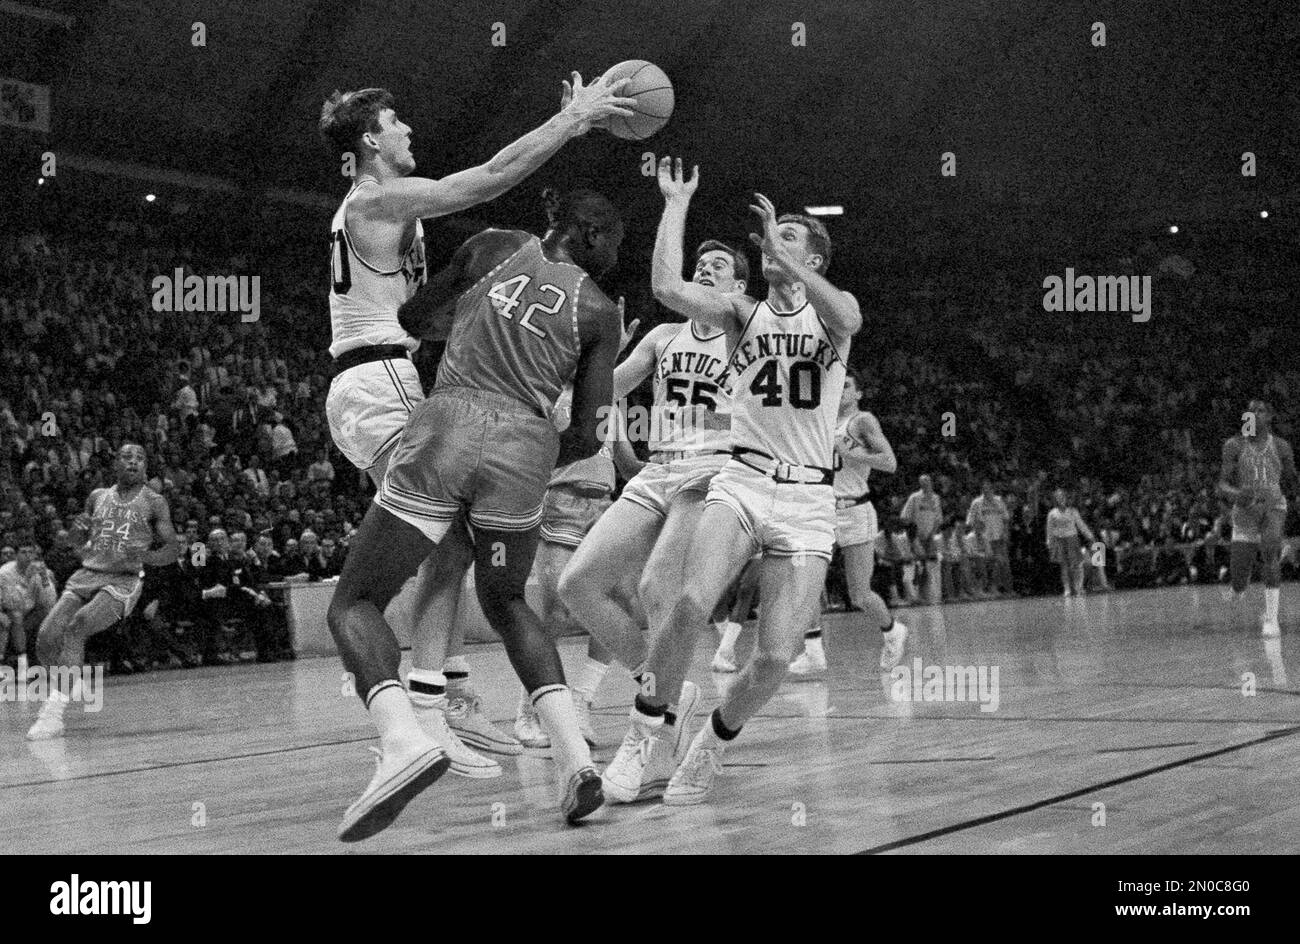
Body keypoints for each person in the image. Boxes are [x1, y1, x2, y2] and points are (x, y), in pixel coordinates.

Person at [317, 77, 632, 779]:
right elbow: (488, 179)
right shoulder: (374, 196)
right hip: (382, 377)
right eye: (395, 122)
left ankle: (449, 694)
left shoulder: (371, 207)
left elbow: (425, 313)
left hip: (370, 380)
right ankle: (431, 713)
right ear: (371, 141)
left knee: (448, 545)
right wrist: (570, 120)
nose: (407, 131)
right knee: (453, 545)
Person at [603, 158, 860, 806]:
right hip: (742, 479)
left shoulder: (831, 317)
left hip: (807, 499)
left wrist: (788, 254)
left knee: (774, 658)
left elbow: (851, 318)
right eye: (770, 241)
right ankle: (642, 735)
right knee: (690, 601)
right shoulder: (742, 314)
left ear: (815, 259)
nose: (773, 245)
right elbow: (665, 285)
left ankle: (712, 744)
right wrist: (675, 202)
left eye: (792, 239)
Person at [27, 444, 179, 740]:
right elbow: (75, 542)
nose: (133, 462)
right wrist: (76, 532)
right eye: (127, 457)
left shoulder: (154, 501)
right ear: (116, 464)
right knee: (46, 640)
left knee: (77, 626)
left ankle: (53, 714)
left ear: (145, 466)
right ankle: (69, 680)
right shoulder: (97, 496)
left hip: (122, 580)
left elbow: (173, 549)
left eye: (139, 459)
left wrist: (146, 556)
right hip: (87, 574)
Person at [791, 371, 906, 676]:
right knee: (806, 581)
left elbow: (890, 462)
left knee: (859, 594)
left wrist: (853, 451)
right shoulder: (821, 418)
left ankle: (893, 632)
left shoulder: (862, 420)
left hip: (855, 509)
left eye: (847, 386)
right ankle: (814, 652)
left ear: (858, 394)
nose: (840, 390)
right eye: (836, 385)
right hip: (822, 510)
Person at [1217, 399, 1297, 636]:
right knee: (1240, 578)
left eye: (1260, 410)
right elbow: (1222, 484)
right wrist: (1236, 494)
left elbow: (1292, 481)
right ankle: (1236, 588)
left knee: (1270, 550)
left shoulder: (1281, 446)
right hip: (1245, 512)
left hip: (1273, 506)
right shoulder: (1233, 445)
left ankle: (1271, 619)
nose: (1254, 413)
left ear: (1269, 417)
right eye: (1250, 410)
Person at [0, 542, 57, 669]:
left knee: (52, 615)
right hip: (8, 613)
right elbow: (12, 603)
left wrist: (44, 579)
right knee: (16, 615)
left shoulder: (40, 571)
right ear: (16, 556)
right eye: (23, 552)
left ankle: (48, 663)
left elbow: (50, 602)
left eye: (30, 552)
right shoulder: (5, 573)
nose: (27, 556)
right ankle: (22, 662)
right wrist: (26, 579)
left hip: (29, 614)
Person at [1045, 488, 1097, 597]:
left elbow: (1080, 524)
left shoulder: (1073, 511)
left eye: (1062, 496)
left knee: (1075, 565)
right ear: (1055, 499)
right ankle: (1067, 589)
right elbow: (1049, 529)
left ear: (1065, 497)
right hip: (1059, 540)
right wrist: (1049, 542)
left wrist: (1089, 536)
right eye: (1058, 497)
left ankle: (1078, 588)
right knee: (1064, 566)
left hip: (1072, 539)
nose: (1060, 499)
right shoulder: (1052, 513)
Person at [967, 481, 1012, 596]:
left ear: (993, 489)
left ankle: (997, 588)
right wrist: (977, 537)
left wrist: (1005, 532)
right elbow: (971, 521)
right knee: (985, 564)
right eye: (984, 489)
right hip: (983, 539)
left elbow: (1006, 518)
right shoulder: (976, 503)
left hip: (998, 537)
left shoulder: (999, 501)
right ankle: (982, 589)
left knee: (1001, 564)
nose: (986, 491)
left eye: (989, 489)